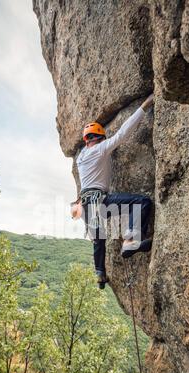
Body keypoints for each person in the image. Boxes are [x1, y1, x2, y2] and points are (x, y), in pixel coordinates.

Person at [74, 94, 154, 289]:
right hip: (100, 200)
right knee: (142, 202)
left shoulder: (81, 158)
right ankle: (131, 240)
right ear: (100, 138)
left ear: (86, 141)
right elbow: (122, 134)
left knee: (98, 238)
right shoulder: (100, 149)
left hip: (85, 205)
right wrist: (144, 106)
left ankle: (100, 274)